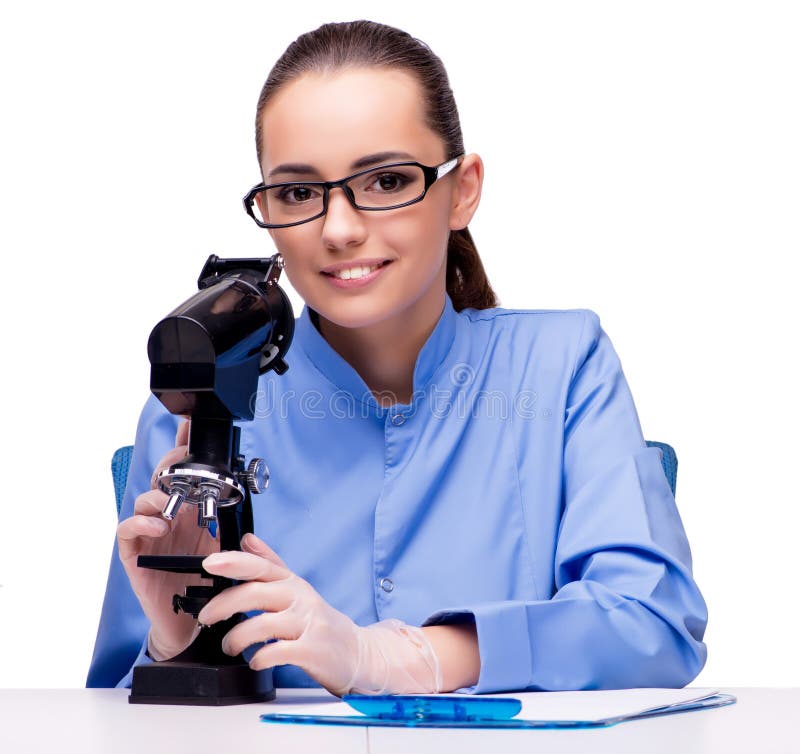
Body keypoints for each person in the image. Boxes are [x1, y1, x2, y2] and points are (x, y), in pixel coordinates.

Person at [87, 19, 708, 696]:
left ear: (462, 189)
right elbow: (109, 716)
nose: (339, 229)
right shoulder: (196, 401)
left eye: (386, 181)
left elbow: (654, 626)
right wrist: (178, 642)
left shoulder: (563, 366)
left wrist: (403, 656)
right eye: (298, 192)